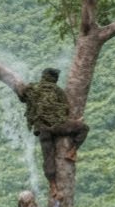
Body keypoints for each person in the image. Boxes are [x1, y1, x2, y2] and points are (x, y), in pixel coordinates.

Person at [18, 68, 89, 197]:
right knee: (83, 128)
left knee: (48, 157)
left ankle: (53, 186)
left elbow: (22, 96)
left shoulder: (33, 89)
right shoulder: (57, 91)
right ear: (54, 79)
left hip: (42, 129)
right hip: (58, 126)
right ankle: (72, 152)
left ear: (43, 76)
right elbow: (66, 109)